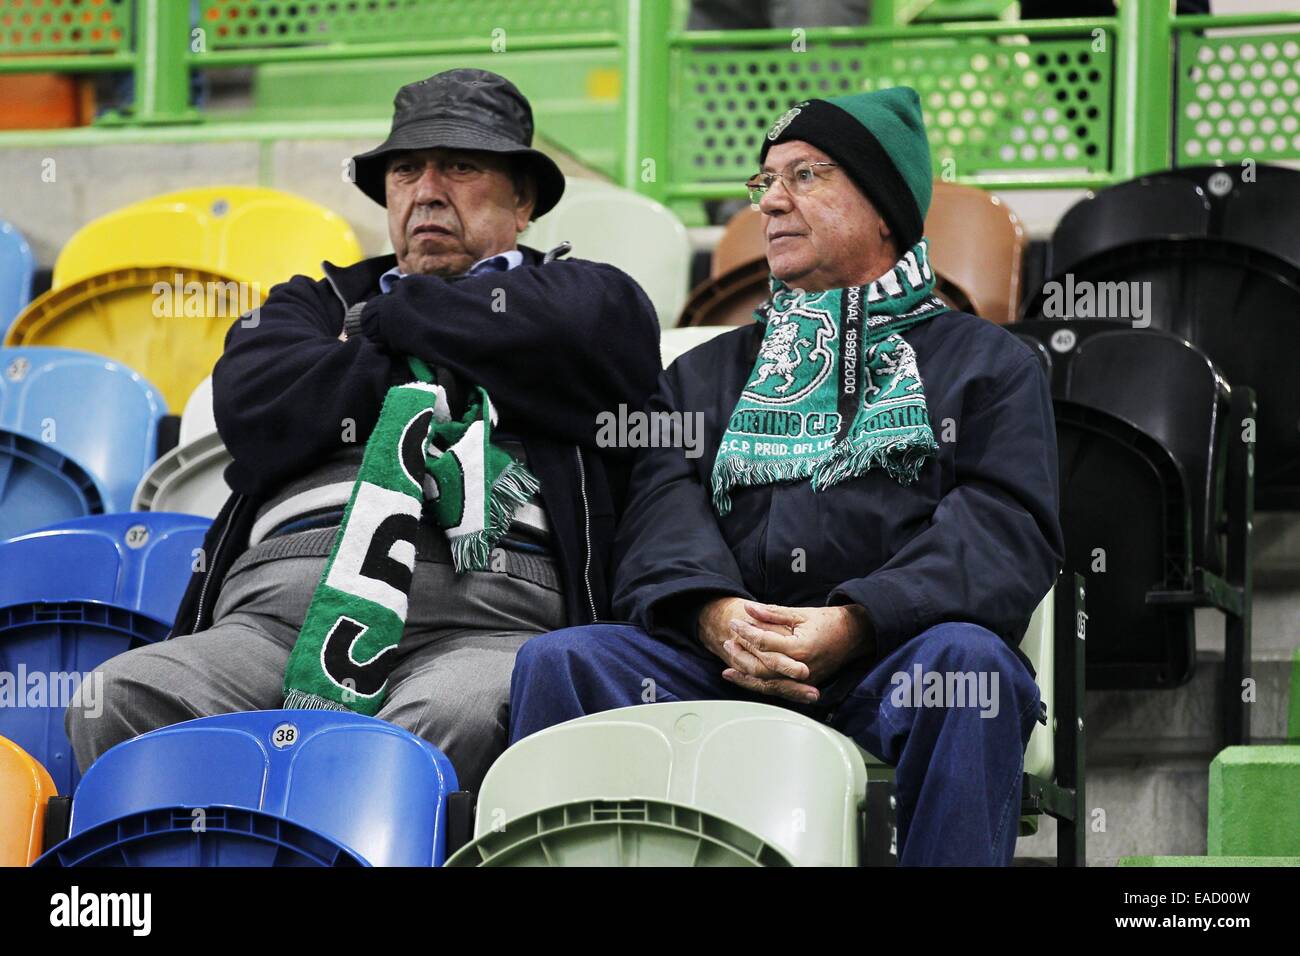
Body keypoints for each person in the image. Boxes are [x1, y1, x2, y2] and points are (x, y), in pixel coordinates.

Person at [510, 87, 1064, 865]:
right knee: (558, 663)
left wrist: (857, 622)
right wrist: (717, 616)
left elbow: (1006, 531)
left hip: (890, 659)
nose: (770, 201)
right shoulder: (701, 371)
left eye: (805, 176)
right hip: (724, 662)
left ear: (883, 208)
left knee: (972, 670)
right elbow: (660, 513)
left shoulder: (988, 364)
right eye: (763, 180)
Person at [65, 69, 661, 793]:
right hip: (275, 618)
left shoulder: (582, 298)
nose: (427, 190)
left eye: (463, 167)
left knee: (450, 720)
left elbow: (609, 341)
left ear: (523, 200)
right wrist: (479, 351)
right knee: (125, 694)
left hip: (484, 616)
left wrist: (388, 322)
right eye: (407, 170)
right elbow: (259, 408)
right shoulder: (306, 305)